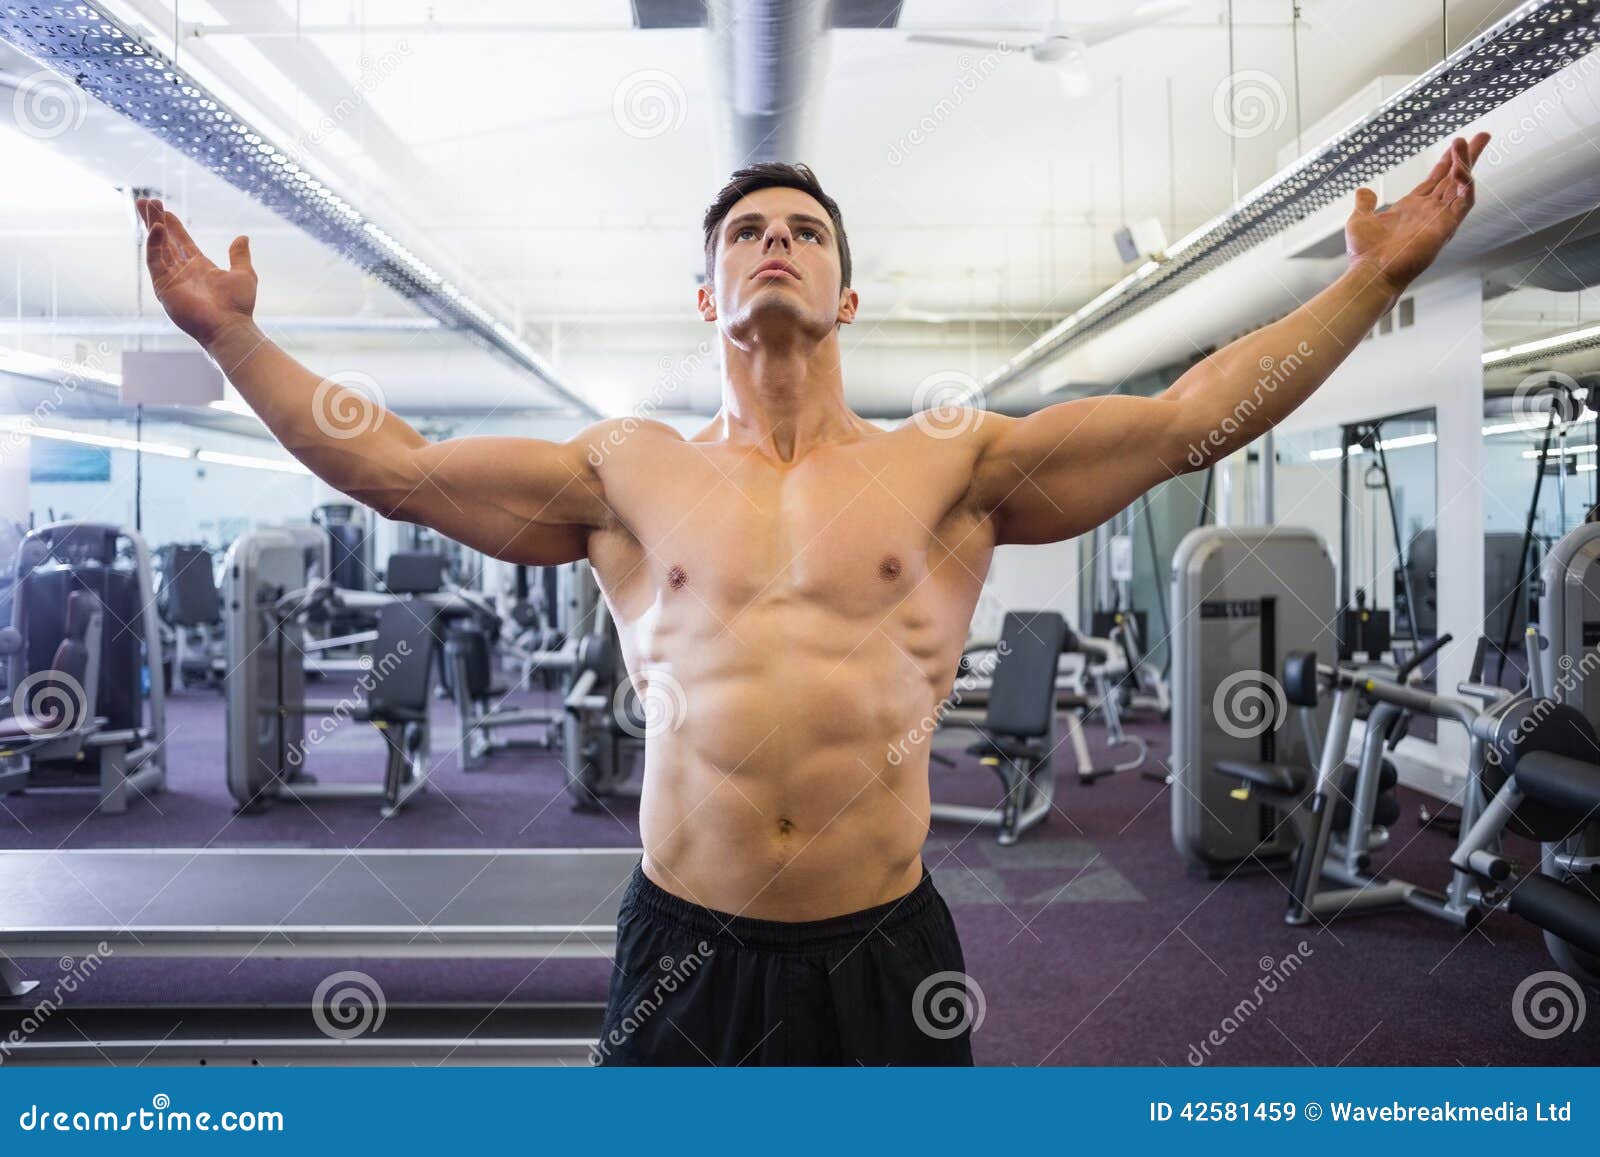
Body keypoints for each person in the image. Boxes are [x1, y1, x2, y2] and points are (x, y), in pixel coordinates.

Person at [134, 132, 1489, 1064]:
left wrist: (1372, 277)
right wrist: (232, 335)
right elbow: (408, 473)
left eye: (803, 232)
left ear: (848, 292)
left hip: (882, 948)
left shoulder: (953, 463)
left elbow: (1190, 419)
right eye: (746, 232)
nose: (774, 244)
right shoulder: (625, 469)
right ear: (706, 287)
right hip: (684, 944)